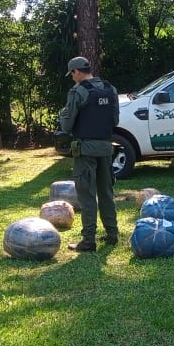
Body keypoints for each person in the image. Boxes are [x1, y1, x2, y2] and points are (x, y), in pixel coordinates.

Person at [58, 56, 120, 251]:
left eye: (72, 74)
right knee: (106, 193)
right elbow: (115, 120)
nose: (72, 78)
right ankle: (112, 234)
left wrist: (63, 116)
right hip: (106, 148)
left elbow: (67, 125)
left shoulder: (78, 91)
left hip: (85, 149)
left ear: (77, 71)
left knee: (86, 195)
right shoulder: (110, 89)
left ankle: (88, 240)